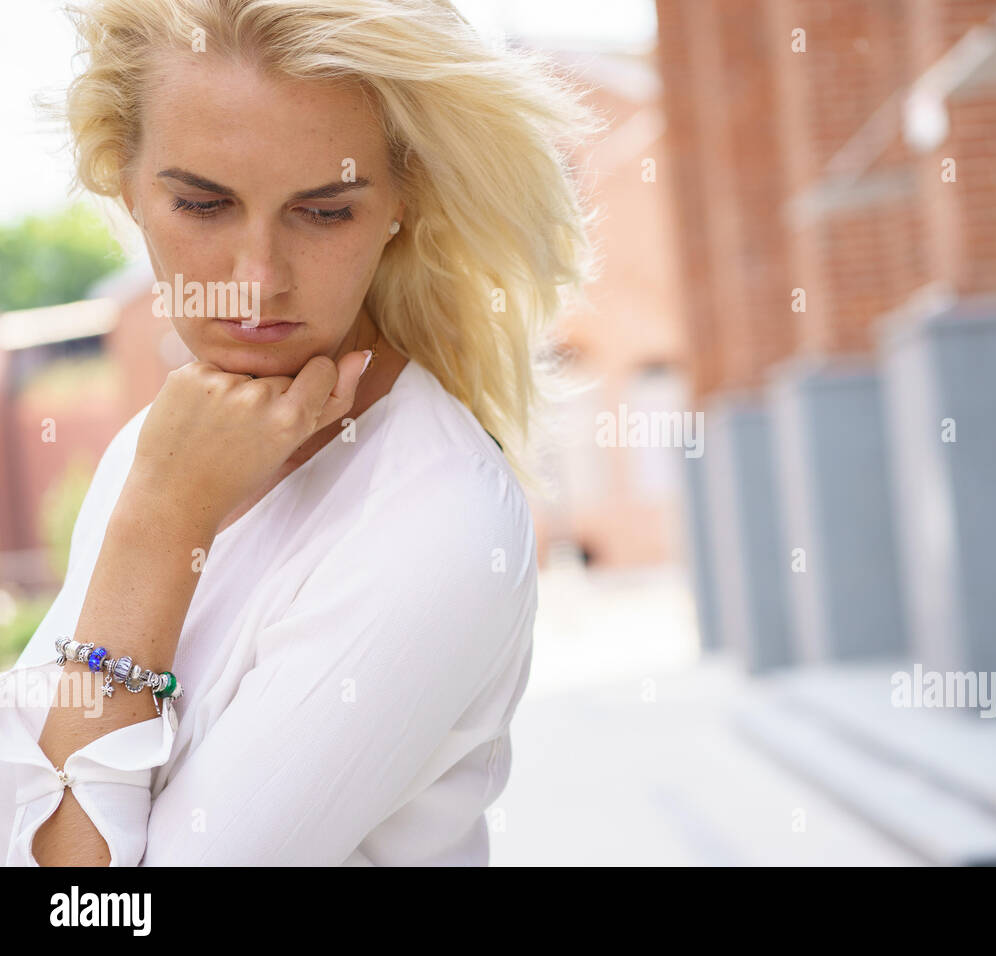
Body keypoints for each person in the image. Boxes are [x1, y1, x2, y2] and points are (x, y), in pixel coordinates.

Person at [0, 0, 602, 865]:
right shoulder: (162, 443)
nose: (257, 280)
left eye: (324, 212)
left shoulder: (439, 524)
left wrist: (158, 531)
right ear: (126, 185)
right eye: (203, 204)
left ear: (403, 203)